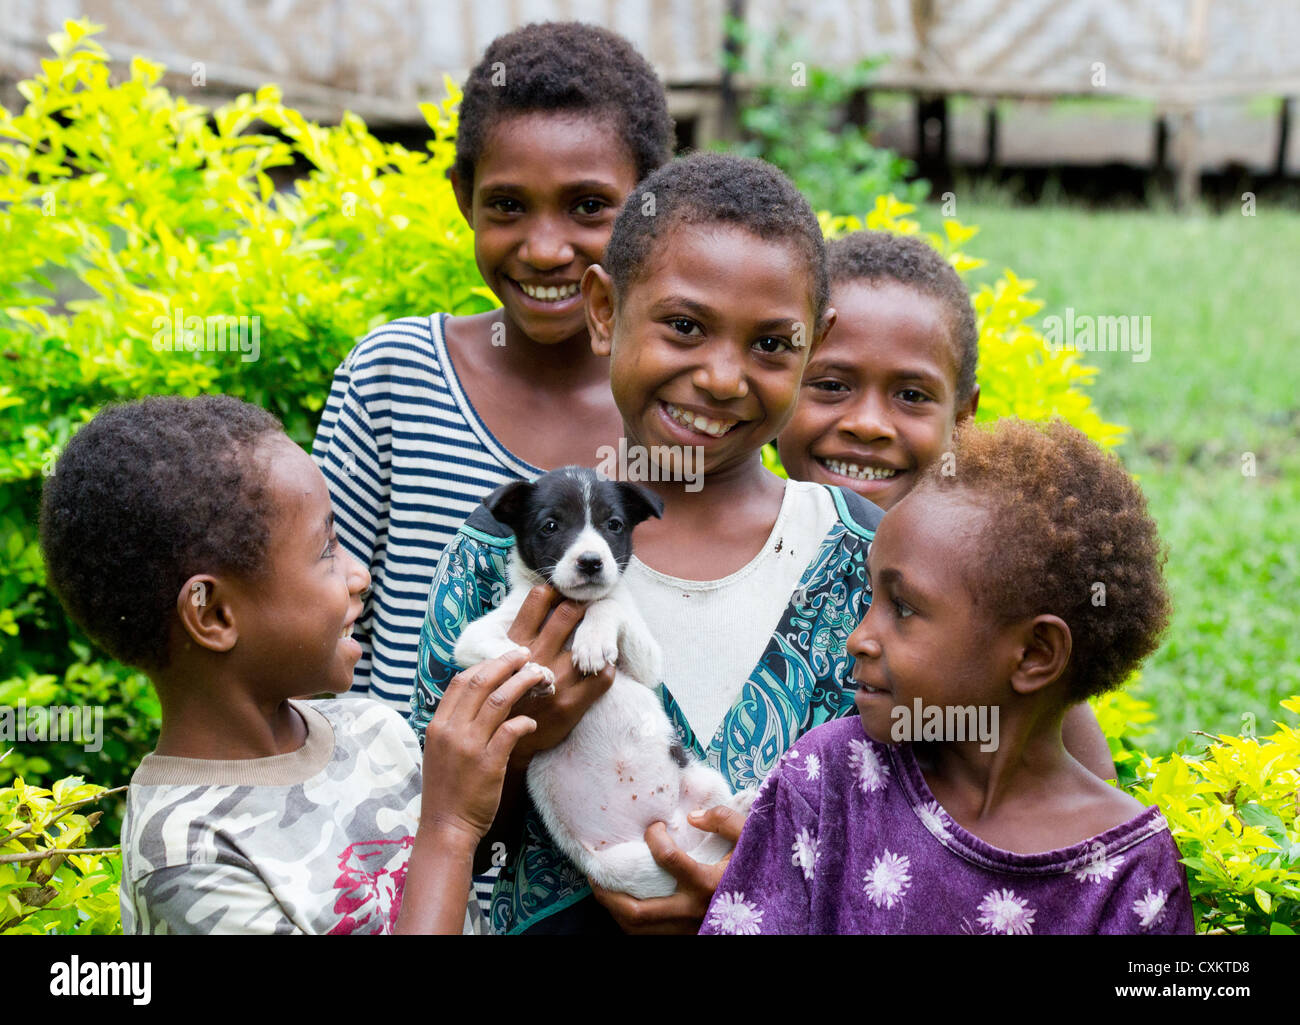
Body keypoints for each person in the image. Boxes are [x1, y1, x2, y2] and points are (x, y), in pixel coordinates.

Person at [413, 152, 885, 934]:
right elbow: (429, 819)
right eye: (684, 326)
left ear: (816, 344)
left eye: (773, 344)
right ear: (604, 310)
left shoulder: (864, 561)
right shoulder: (501, 548)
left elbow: (909, 827)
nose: (725, 377)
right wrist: (526, 739)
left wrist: (763, 894)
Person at [39, 395, 547, 934]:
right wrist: (447, 827)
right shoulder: (187, 856)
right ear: (212, 614)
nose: (359, 576)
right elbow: (449, 839)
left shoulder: (373, 730)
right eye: (327, 549)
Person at [701, 418, 1193, 934]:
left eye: (904, 608)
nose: (859, 638)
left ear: (1034, 655)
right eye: (871, 598)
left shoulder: (1132, 872)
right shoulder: (829, 779)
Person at [310, 22, 674, 711]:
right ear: (462, 197)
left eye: (589, 206)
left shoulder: (677, 414)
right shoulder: (393, 377)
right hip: (400, 810)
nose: (543, 249)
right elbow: (320, 618)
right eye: (507, 206)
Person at [776, 229, 1113, 777]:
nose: (867, 424)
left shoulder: (994, 589)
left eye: (911, 395)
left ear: (962, 419)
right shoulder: (743, 553)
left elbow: (1087, 815)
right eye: (832, 384)